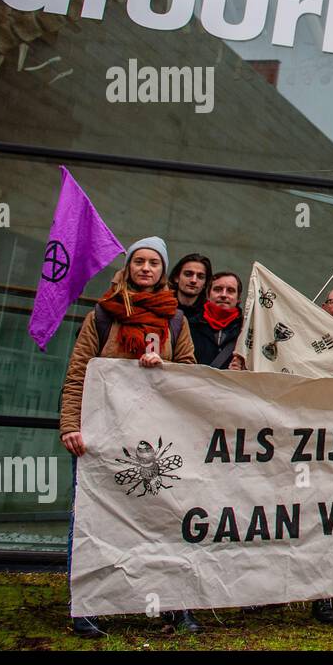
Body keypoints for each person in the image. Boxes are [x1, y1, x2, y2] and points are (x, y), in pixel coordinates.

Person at [60, 237, 199, 637]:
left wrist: (163, 370)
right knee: (92, 520)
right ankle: (86, 605)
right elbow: (77, 373)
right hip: (102, 438)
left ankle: (172, 604)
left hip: (155, 440)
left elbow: (191, 375)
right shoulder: (102, 317)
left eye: (154, 263)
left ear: (162, 272)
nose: (145, 268)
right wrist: (71, 425)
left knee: (163, 519)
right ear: (128, 267)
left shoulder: (175, 321)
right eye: (139, 261)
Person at [187, 271, 243, 368]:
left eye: (230, 290)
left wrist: (244, 370)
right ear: (208, 295)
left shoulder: (246, 331)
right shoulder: (189, 325)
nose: (224, 295)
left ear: (238, 298)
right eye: (218, 289)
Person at [168, 253, 211, 320]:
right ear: (176, 277)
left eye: (200, 277)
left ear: (205, 283)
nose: (193, 280)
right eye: (188, 274)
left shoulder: (210, 316)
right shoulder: (162, 306)